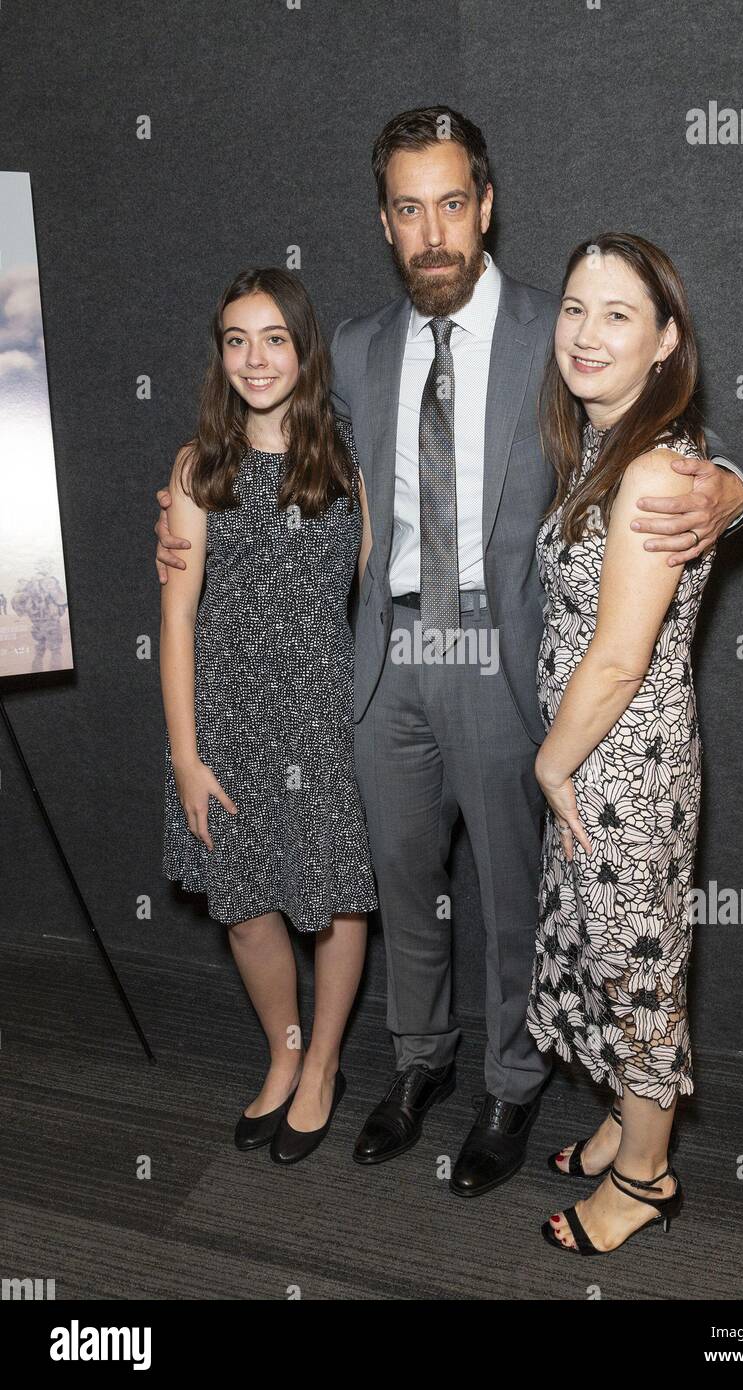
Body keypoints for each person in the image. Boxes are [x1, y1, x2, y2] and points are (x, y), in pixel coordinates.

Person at [155, 107, 743, 1199]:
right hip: (382, 658)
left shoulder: (556, 331)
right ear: (385, 221)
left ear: (485, 207)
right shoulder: (361, 344)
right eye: (406, 207)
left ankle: (512, 1081)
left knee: (513, 895)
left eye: (450, 203)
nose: (431, 230)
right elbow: (273, 427)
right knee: (399, 885)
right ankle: (418, 1060)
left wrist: (726, 484)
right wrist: (188, 485)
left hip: (504, 652)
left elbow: (647, 415)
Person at [159, 266, 377, 1165]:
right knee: (247, 911)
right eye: (236, 340)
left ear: (303, 348)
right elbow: (174, 616)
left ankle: (323, 1065)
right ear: (220, 354)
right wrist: (185, 756)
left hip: (321, 721)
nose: (255, 358)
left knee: (328, 902)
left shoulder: (345, 456)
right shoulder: (196, 465)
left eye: (274, 338)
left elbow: (374, 587)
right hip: (225, 724)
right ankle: (282, 1057)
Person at [530, 233, 721, 1254]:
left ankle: (645, 1176)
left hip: (618, 772)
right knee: (603, 957)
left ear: (665, 341)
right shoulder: (609, 446)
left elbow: (615, 657)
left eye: (616, 315)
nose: (586, 333)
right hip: (598, 766)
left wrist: (548, 763)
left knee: (638, 973)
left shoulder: (651, 469)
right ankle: (621, 1118)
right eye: (573, 308)